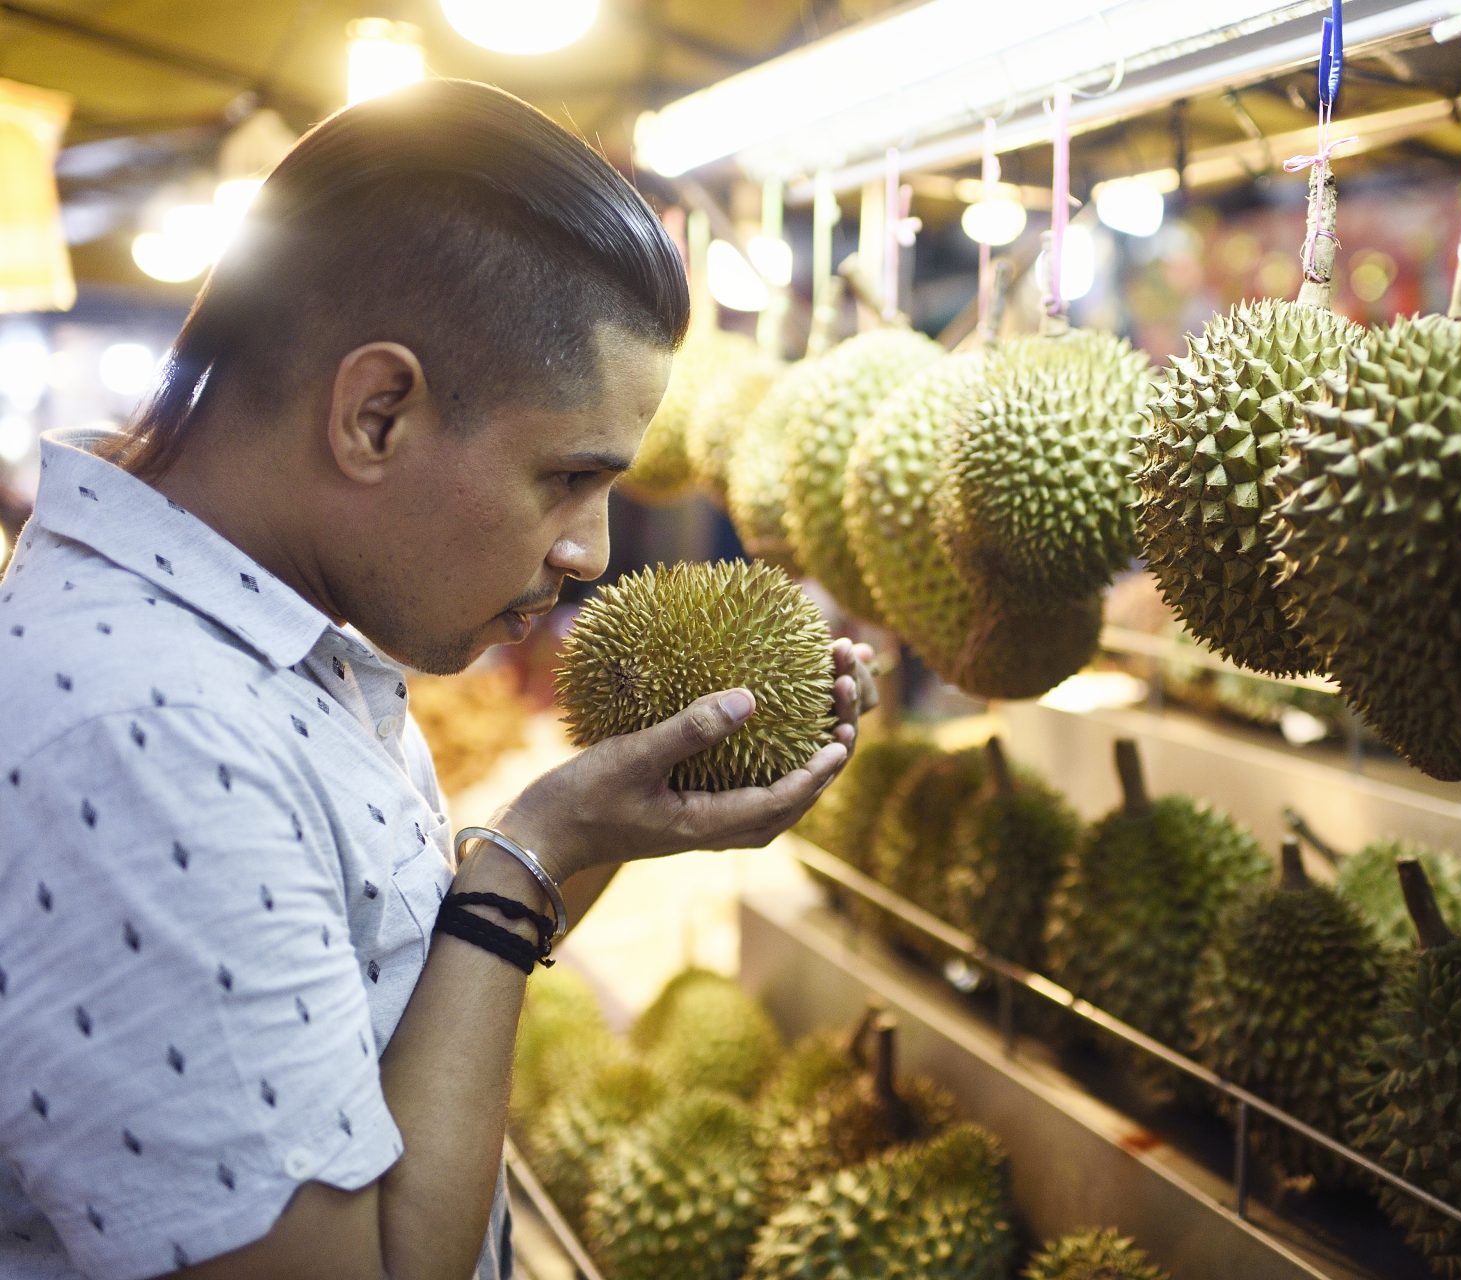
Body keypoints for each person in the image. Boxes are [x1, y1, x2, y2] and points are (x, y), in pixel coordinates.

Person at [0, 79, 867, 1280]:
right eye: (567, 476)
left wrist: (613, 821)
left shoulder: (274, 638)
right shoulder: (150, 738)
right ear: (376, 413)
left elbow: (389, 1023)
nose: (592, 551)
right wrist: (524, 861)